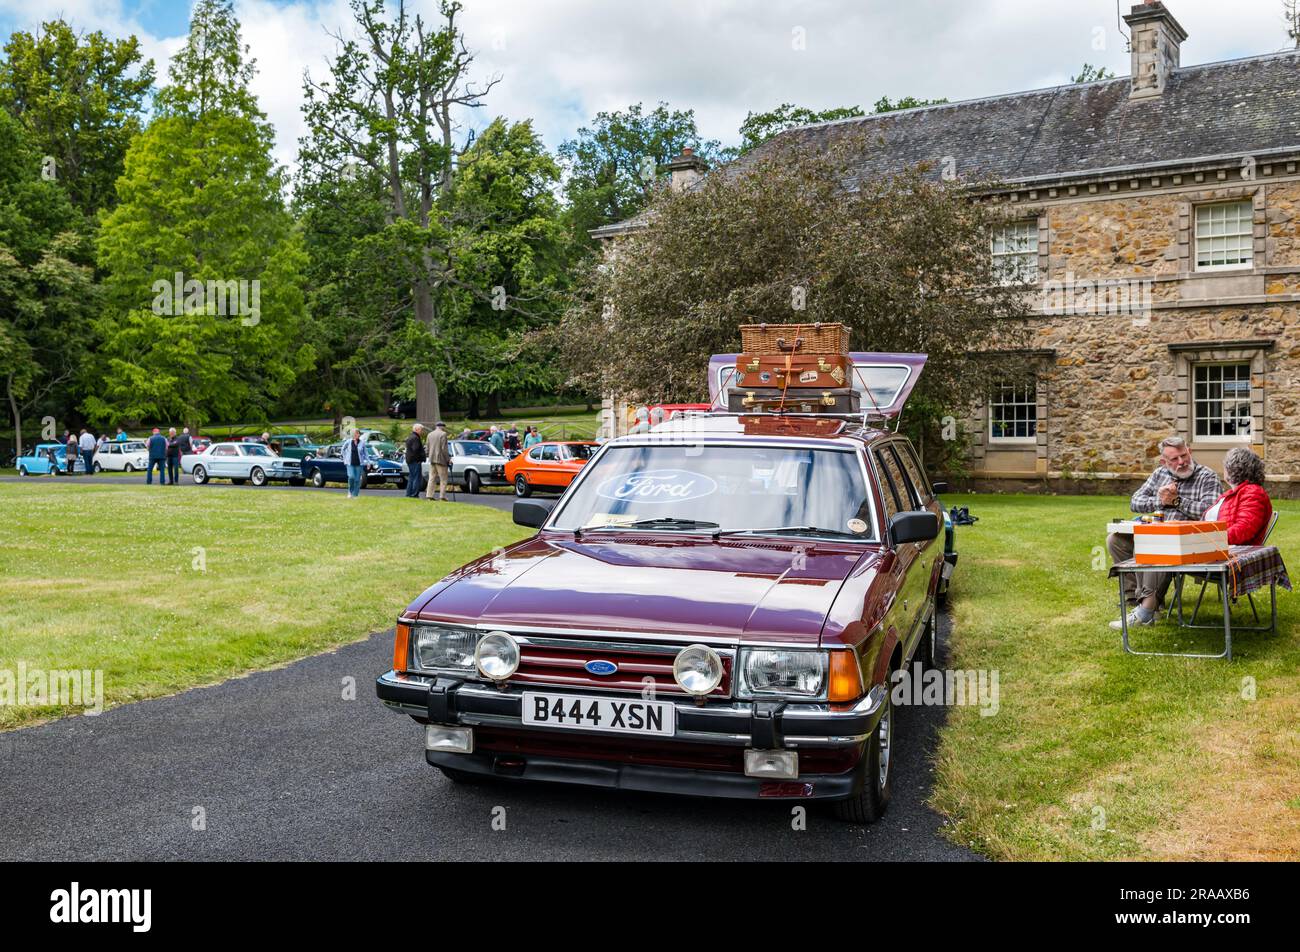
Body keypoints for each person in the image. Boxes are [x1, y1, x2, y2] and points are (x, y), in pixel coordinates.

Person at [1107, 435, 1222, 629]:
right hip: (1159, 533)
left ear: (1190, 451)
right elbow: (1135, 502)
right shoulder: (1160, 474)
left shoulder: (1207, 476)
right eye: (1174, 459)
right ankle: (1135, 599)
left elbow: (1210, 511)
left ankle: (1147, 610)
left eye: (1184, 455)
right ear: (1164, 462)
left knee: (1153, 544)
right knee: (1115, 540)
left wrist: (1177, 501)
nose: (1182, 462)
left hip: (1192, 540)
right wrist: (1161, 501)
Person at [425, 422, 451, 501]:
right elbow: (444, 449)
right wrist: (448, 459)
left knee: (432, 478)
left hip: (432, 459)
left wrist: (428, 455)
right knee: (443, 479)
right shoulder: (443, 434)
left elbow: (427, 447)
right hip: (441, 460)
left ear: (436, 427)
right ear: (442, 427)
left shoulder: (430, 434)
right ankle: (442, 496)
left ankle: (429, 495)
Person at [342, 428, 369, 498]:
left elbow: (365, 453)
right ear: (353, 434)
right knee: (351, 477)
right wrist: (345, 459)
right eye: (356, 433)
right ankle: (350, 492)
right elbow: (343, 449)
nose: (357, 434)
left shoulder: (362, 442)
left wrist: (368, 462)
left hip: (359, 464)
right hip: (350, 463)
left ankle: (355, 495)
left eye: (358, 433)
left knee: (357, 480)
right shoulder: (348, 442)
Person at [403, 423, 426, 497]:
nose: (422, 431)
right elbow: (415, 450)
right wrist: (420, 458)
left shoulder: (410, 437)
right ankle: (414, 494)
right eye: (421, 429)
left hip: (410, 460)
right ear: (417, 429)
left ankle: (409, 493)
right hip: (415, 461)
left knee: (411, 477)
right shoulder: (416, 438)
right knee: (416, 478)